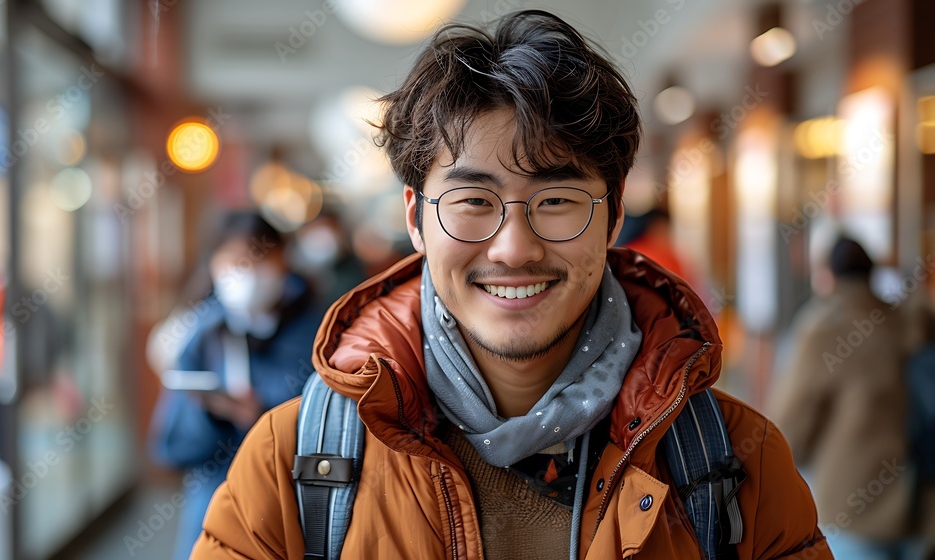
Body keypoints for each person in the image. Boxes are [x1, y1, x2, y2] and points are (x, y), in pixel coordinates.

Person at [191, 11, 830, 559]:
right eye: (472, 200)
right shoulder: (292, 463)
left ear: (612, 214)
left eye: (555, 200)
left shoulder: (733, 463)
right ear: (416, 219)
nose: (514, 247)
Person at [148, 211, 319, 560]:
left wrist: (263, 413)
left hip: (298, 504)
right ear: (213, 266)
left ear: (282, 257)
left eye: (256, 259)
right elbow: (170, 446)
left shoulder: (319, 327)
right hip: (214, 504)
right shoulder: (201, 333)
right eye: (233, 262)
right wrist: (214, 412)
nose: (245, 273)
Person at [770, 237, 926, 560]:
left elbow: (790, 429)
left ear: (828, 276)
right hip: (919, 505)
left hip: (854, 504)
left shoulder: (824, 329)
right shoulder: (910, 322)